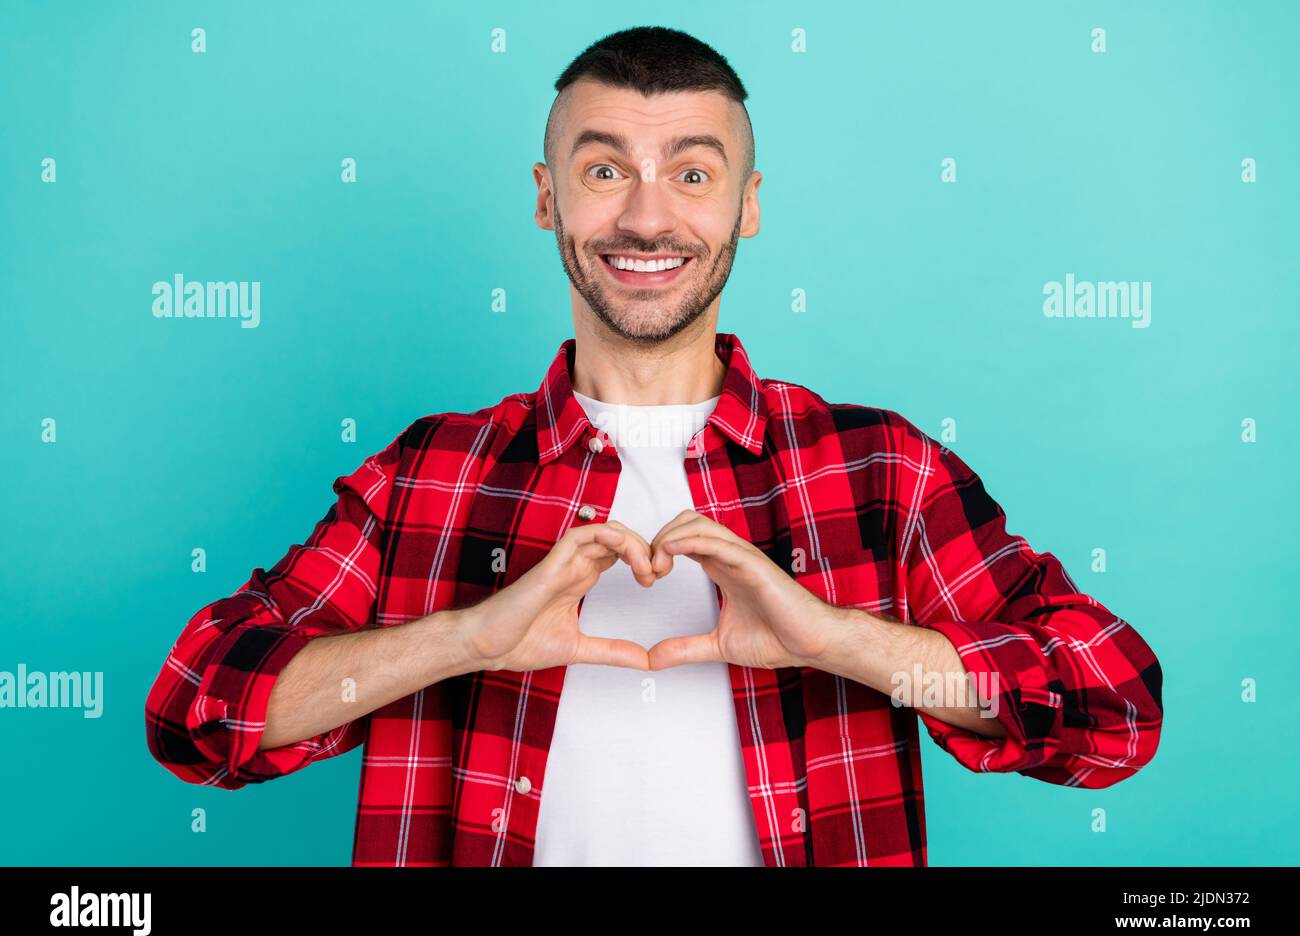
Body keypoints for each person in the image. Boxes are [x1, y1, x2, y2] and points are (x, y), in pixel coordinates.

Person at [145, 26, 1163, 867]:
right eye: (603, 168)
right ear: (547, 197)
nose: (644, 214)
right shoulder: (427, 474)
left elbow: (1114, 706)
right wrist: (466, 639)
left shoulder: (880, 472)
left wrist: (840, 640)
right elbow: (194, 705)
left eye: (690, 171)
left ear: (746, 205)